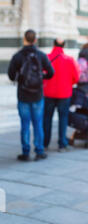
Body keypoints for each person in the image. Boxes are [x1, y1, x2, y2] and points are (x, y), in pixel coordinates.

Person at [7, 29, 54, 161]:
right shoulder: (41, 55)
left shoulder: (18, 56)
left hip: (23, 95)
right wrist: (41, 76)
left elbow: (11, 76)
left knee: (25, 124)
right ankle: (39, 151)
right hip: (38, 95)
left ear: (24, 39)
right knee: (38, 123)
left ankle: (26, 152)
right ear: (35, 40)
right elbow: (51, 72)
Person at [43, 39, 80, 152]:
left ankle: (45, 143)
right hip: (64, 94)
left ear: (53, 44)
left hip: (48, 92)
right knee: (63, 118)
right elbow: (76, 77)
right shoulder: (69, 59)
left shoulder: (47, 58)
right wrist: (68, 84)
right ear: (64, 46)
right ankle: (62, 144)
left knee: (47, 118)